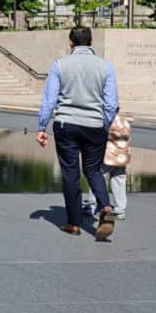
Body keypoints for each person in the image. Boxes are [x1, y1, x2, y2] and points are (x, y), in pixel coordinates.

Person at [36, 25, 119, 240]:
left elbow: (50, 99)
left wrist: (42, 126)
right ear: (91, 42)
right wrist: (107, 125)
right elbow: (111, 103)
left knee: (70, 173)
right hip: (94, 126)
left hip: (67, 125)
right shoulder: (105, 66)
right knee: (93, 170)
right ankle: (106, 206)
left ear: (71, 43)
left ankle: (73, 224)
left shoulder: (60, 65)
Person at [83, 109, 131, 221]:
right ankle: (120, 210)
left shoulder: (105, 122)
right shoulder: (124, 122)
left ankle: (92, 205)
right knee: (119, 181)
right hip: (122, 158)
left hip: (108, 157)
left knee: (97, 179)